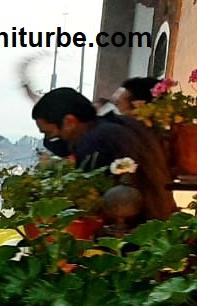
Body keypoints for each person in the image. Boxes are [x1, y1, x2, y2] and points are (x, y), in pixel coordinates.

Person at [31, 87, 173, 223]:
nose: (50, 139)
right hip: (161, 221)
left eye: (49, 133)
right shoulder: (116, 126)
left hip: (133, 230)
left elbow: (93, 202)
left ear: (69, 122)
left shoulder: (94, 143)